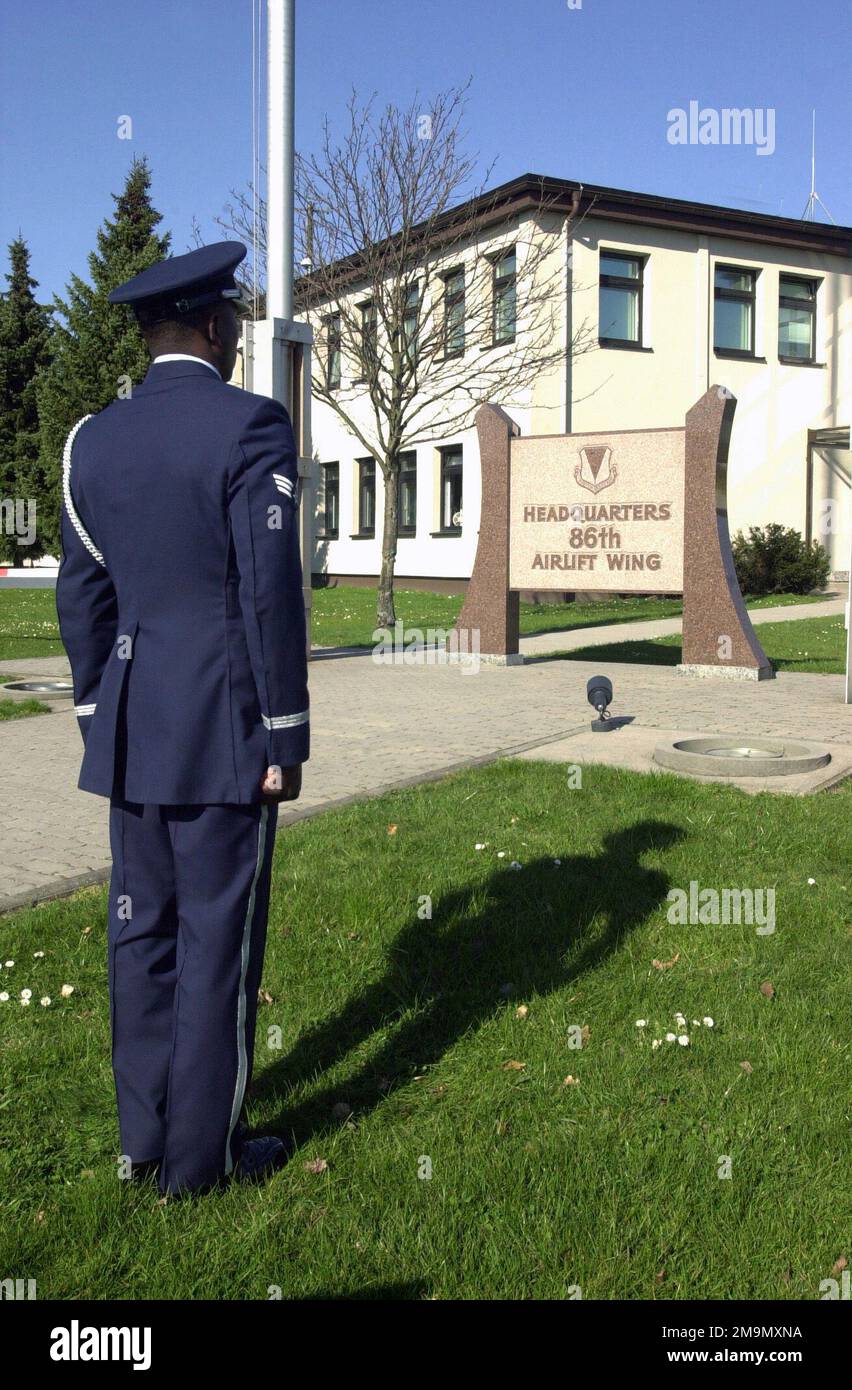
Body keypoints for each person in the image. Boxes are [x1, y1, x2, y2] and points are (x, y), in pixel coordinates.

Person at [56, 241, 309, 1196]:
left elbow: (85, 599)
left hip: (130, 731)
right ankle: (201, 1165)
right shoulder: (250, 426)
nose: (239, 334)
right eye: (236, 320)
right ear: (213, 326)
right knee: (216, 944)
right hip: (226, 732)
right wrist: (282, 733)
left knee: (140, 934)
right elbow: (267, 599)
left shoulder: (92, 441)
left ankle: (143, 1143)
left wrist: (96, 715)